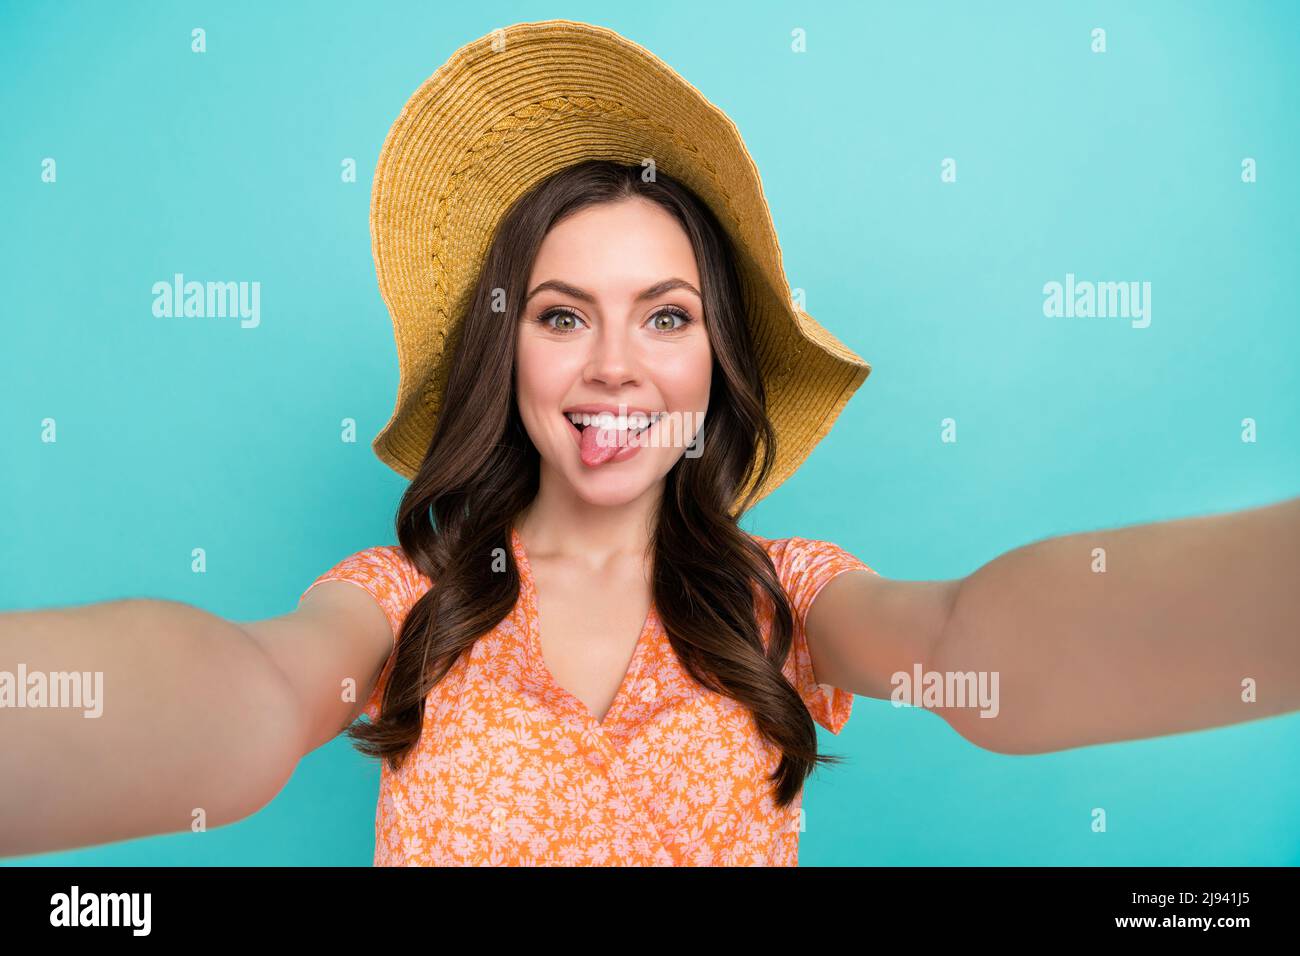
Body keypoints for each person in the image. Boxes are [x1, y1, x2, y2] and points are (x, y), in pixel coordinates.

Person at [2, 20, 1297, 866]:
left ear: (713, 359)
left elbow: (968, 645)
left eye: (665, 315)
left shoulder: (785, 597)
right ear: (509, 350)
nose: (615, 361)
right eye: (564, 314)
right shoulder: (400, 609)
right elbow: (251, 694)